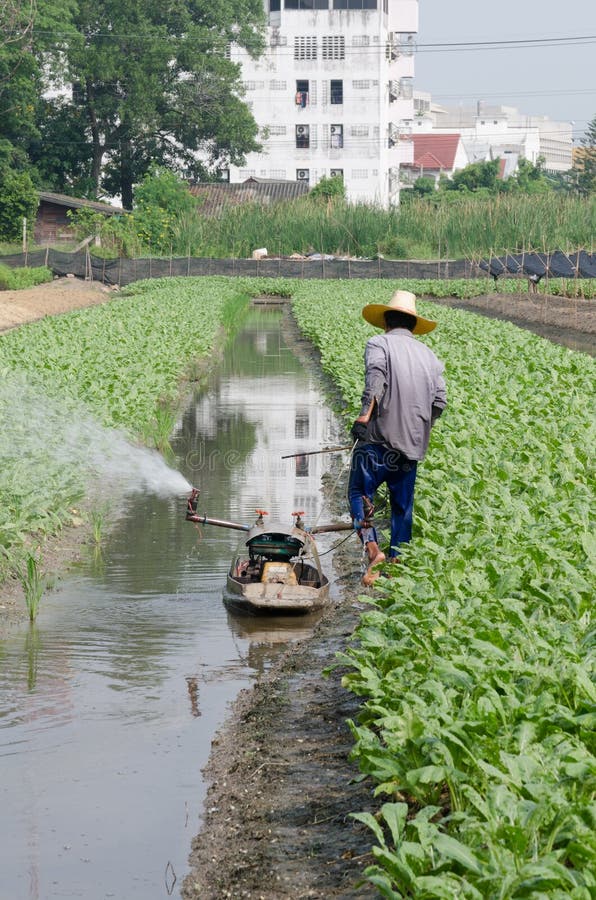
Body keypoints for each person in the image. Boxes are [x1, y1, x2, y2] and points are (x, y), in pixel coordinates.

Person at [348, 290, 447, 585]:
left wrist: (364, 416)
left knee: (358, 493)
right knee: (402, 507)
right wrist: (419, 425)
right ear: (413, 326)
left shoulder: (379, 344)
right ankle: (396, 566)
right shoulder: (429, 356)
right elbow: (439, 401)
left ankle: (373, 550)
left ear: (386, 322)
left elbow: (376, 378)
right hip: (411, 446)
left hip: (379, 441)